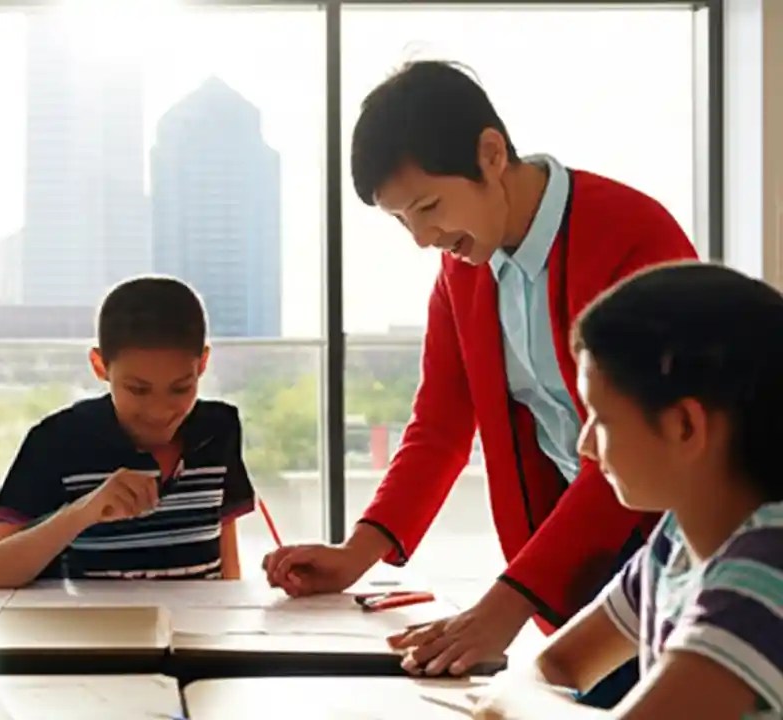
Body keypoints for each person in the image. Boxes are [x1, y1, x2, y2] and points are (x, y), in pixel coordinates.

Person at [262, 60, 697, 703]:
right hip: (580, 577)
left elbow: (641, 441)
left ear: (491, 154)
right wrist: (358, 553)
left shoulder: (632, 237)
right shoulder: (462, 270)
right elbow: (439, 427)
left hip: (678, 559)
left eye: (430, 206)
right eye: (402, 219)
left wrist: (507, 602)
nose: (422, 238)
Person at [471, 262, 783, 719]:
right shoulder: (674, 543)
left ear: (684, 425)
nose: (586, 446)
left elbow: (523, 692)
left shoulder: (767, 565)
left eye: (601, 419)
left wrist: (511, 703)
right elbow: (557, 663)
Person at [0, 276, 256, 588]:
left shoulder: (219, 428)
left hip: (198, 632)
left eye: (181, 388)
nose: (159, 411)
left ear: (202, 364)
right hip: (96, 634)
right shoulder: (57, 440)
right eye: (138, 390)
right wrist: (84, 510)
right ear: (100, 366)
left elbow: (226, 549)